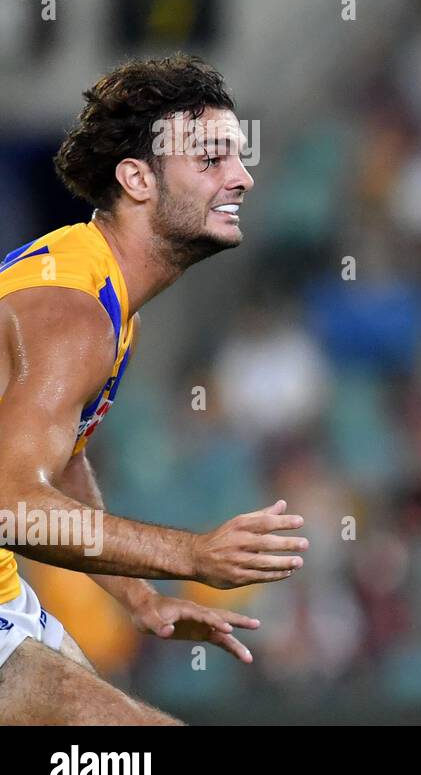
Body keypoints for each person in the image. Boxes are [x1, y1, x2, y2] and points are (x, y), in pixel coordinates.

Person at [0, 54, 308, 724]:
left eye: (239, 157)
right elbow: (13, 504)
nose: (243, 177)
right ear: (137, 179)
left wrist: (141, 600)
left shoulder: (104, 296)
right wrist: (192, 554)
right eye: (212, 159)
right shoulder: (71, 314)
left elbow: (61, 459)